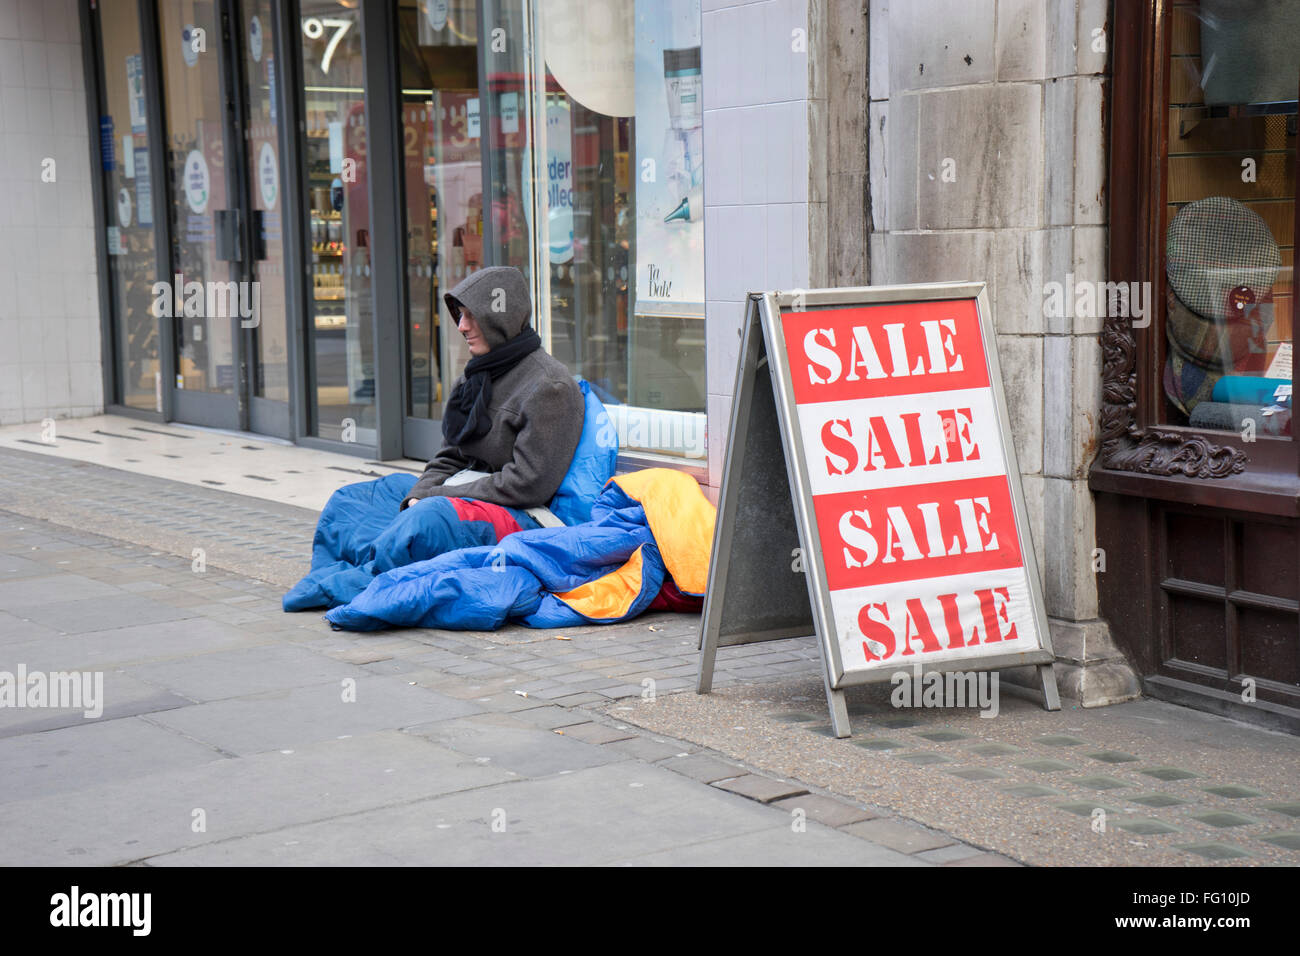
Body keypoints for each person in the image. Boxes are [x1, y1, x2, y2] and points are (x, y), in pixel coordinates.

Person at [401, 266, 584, 513]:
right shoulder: (474, 379)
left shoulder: (549, 386)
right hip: (464, 494)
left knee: (424, 521)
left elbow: (527, 485)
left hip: (516, 512)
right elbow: (449, 458)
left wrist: (437, 497)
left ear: (500, 321)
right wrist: (420, 494)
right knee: (355, 499)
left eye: (472, 316)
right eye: (460, 315)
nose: (461, 326)